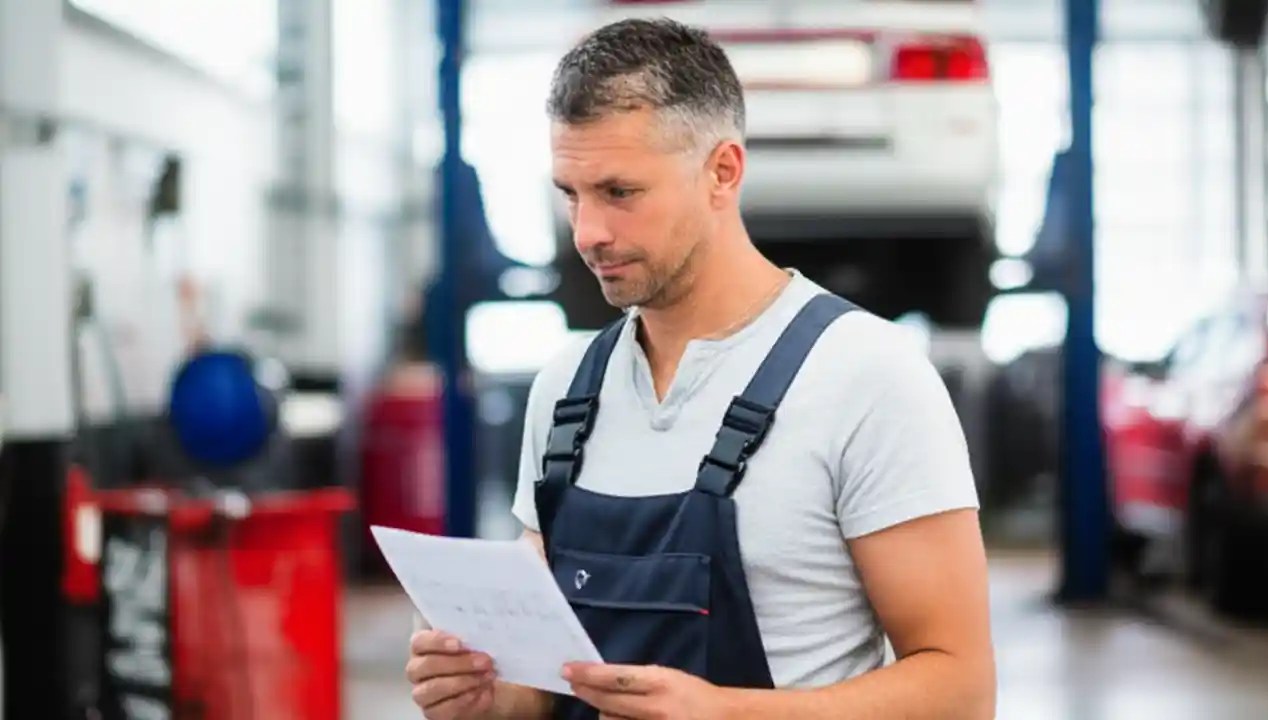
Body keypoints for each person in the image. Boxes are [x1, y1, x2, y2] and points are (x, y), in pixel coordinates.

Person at [407, 17, 995, 720]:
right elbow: (545, 684)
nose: (589, 232)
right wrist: (483, 697)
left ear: (722, 172)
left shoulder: (866, 377)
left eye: (620, 193)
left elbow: (960, 691)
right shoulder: (567, 389)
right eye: (572, 193)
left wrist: (726, 714)